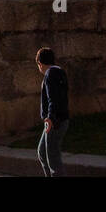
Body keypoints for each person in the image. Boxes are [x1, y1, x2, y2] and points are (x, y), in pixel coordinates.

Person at [35, 47, 69, 177]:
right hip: (60, 120)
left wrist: (50, 118)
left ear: (40, 63)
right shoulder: (60, 72)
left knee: (53, 158)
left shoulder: (49, 74)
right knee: (42, 152)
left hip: (54, 121)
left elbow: (52, 98)